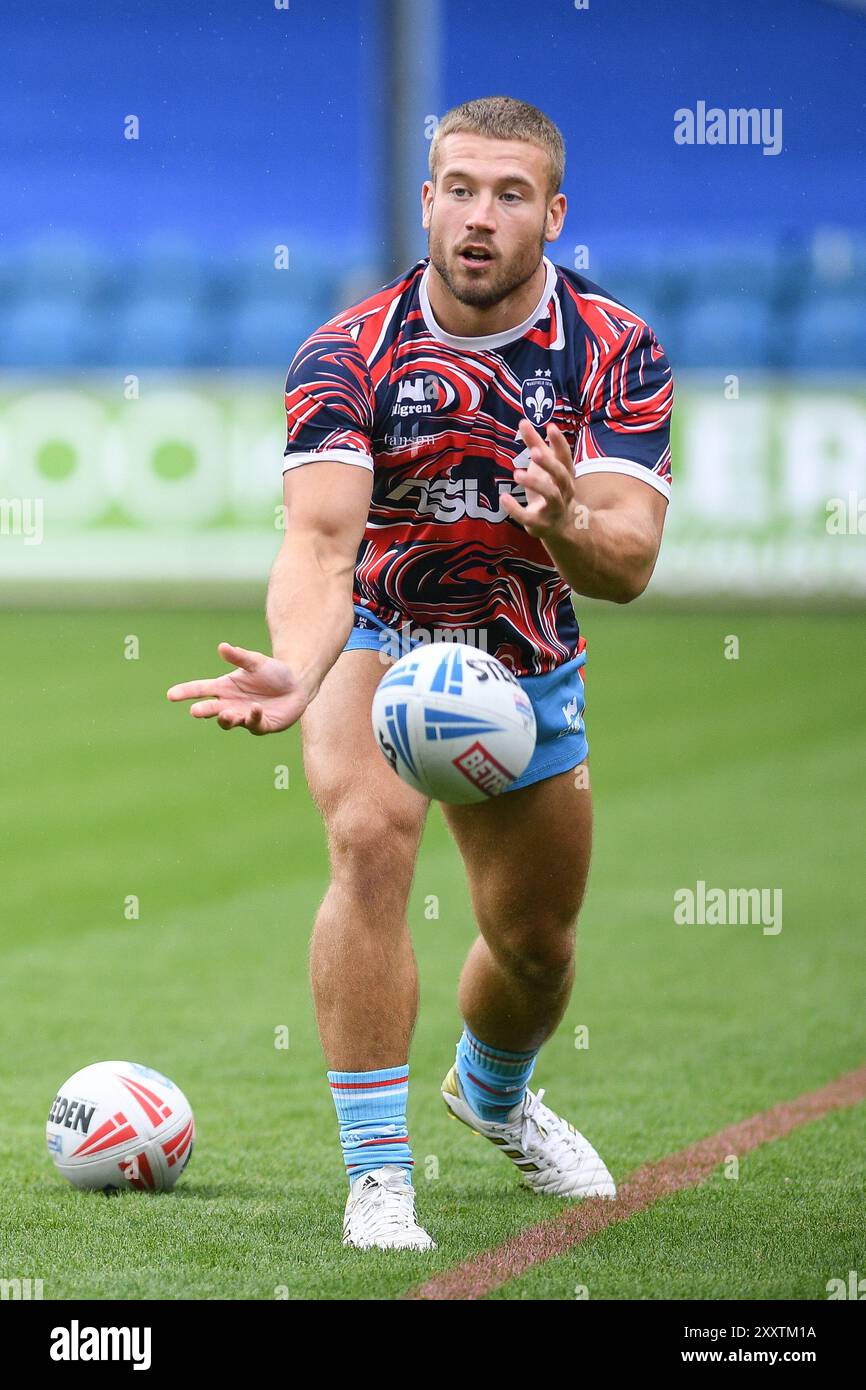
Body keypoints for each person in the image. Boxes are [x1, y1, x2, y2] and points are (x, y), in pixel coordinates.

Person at [167, 96, 673, 1251]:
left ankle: (492, 1094)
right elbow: (319, 543)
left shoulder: (614, 350)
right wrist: (298, 665)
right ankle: (378, 1175)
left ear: (552, 212)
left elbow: (630, 560)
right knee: (365, 842)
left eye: (507, 194)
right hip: (377, 634)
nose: (477, 217)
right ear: (427, 200)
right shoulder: (347, 354)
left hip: (526, 656)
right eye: (457, 189)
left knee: (535, 946)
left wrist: (562, 526)